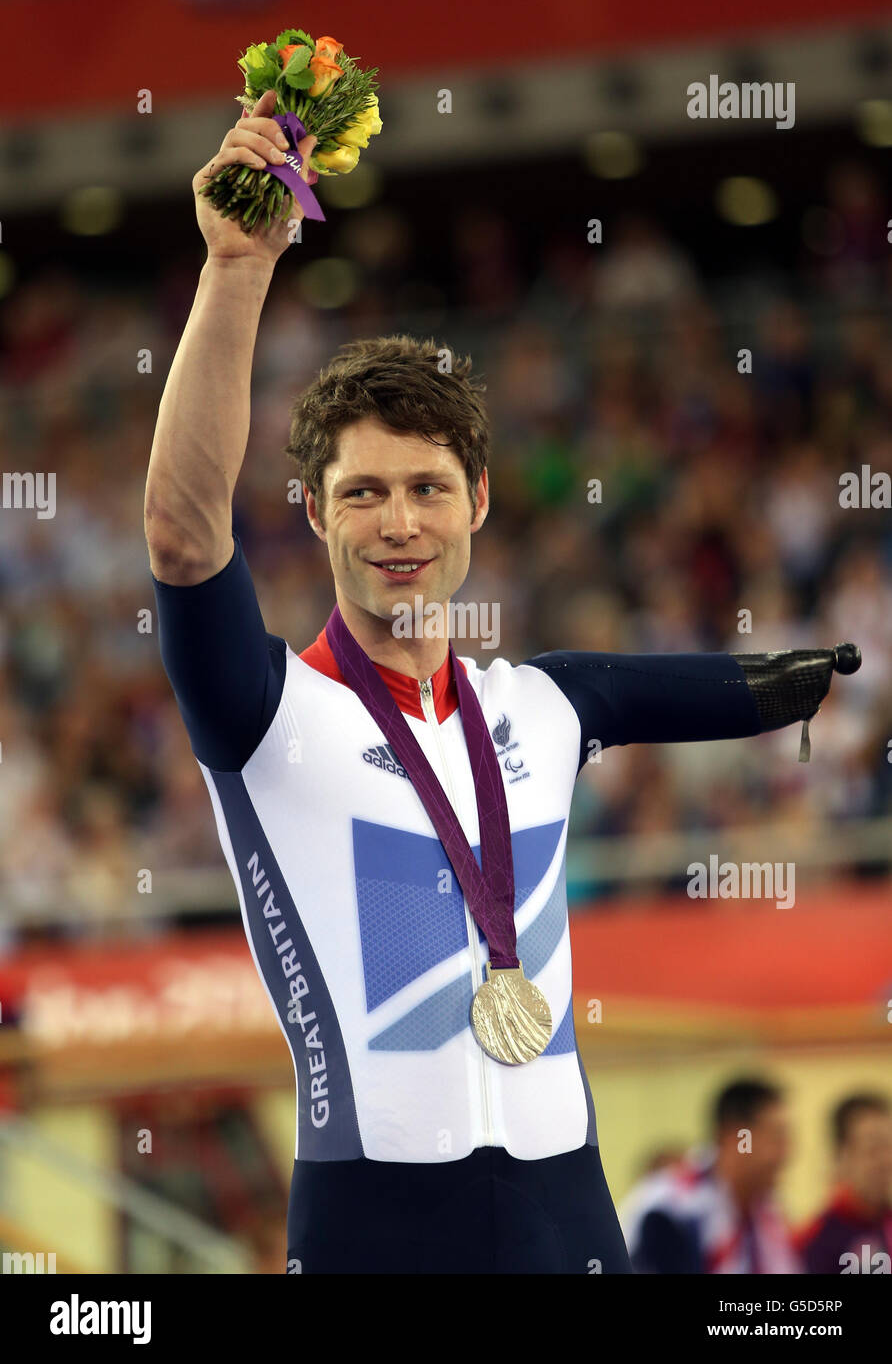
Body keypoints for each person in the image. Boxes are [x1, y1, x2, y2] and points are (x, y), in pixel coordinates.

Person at [144, 93, 857, 1274]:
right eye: (363, 493)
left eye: (428, 488)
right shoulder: (267, 715)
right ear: (313, 512)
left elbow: (686, 689)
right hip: (375, 1227)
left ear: (478, 500)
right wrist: (236, 267)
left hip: (569, 1222)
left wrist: (805, 681)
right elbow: (179, 537)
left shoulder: (541, 704)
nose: (399, 523)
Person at [622, 1078, 801, 1273]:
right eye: (776, 1137)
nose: (785, 1153)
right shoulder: (670, 1209)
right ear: (738, 1138)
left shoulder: (766, 1213)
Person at [795, 1092, 892, 1274]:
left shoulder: (886, 1222)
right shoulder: (815, 1242)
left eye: (889, 1146)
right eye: (873, 1148)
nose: (886, 1161)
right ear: (841, 1157)